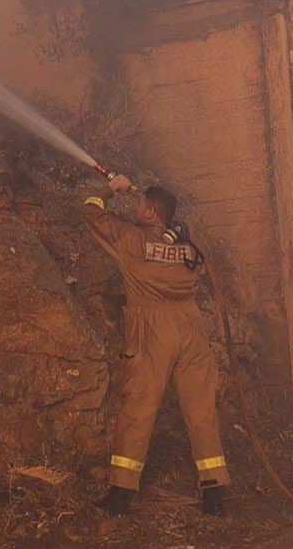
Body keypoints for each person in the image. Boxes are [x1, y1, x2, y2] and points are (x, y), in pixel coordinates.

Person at [81, 175, 229, 517]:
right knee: (201, 411)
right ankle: (214, 492)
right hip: (191, 329)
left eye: (140, 205)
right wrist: (174, 230)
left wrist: (112, 189)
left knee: (138, 407)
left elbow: (89, 212)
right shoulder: (189, 246)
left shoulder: (132, 239)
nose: (136, 209)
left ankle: (121, 492)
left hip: (152, 329)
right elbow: (200, 258)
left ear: (150, 213)